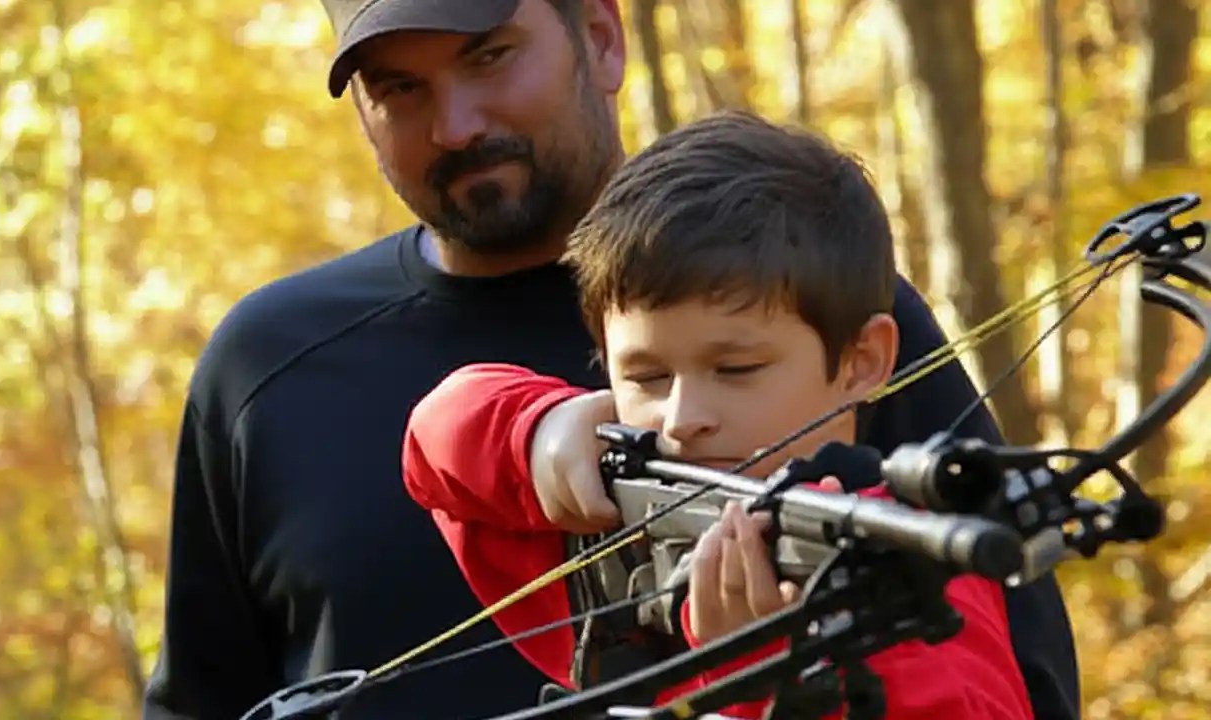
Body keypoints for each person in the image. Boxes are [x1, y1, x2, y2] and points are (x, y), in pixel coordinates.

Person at [141, 0, 1079, 718]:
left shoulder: (815, 303)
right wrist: (542, 433)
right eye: (399, 87)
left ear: (600, 37)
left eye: (489, 55)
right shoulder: (265, 361)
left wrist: (776, 678)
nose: (457, 122)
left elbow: (1012, 673)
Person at [401, 111, 1035, 719]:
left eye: (736, 370)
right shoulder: (631, 518)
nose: (682, 417)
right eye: (646, 377)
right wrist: (538, 433)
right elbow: (437, 436)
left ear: (862, 360)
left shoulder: (909, 566)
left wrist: (768, 677)